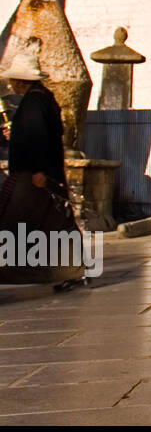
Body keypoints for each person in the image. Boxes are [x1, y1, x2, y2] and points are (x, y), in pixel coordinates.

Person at [0, 51, 85, 290]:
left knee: (19, 223)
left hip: (34, 176)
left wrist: (38, 170)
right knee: (53, 221)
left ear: (21, 81)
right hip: (42, 174)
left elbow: (37, 137)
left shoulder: (35, 102)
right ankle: (70, 268)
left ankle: (43, 270)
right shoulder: (42, 98)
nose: (11, 84)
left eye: (13, 80)